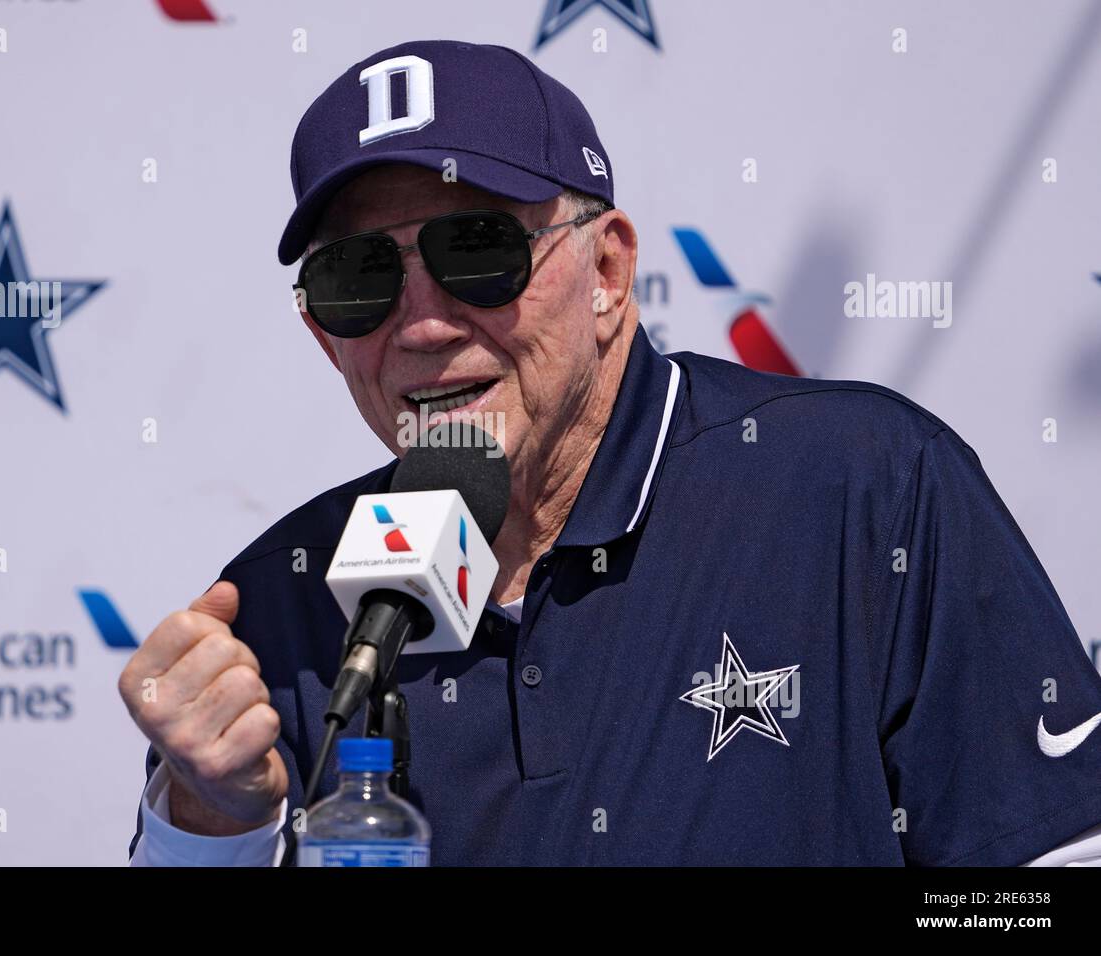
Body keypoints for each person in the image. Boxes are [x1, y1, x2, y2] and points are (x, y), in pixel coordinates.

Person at [118, 39, 1101, 866]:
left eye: (475, 250)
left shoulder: (866, 487)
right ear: (323, 335)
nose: (421, 324)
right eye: (358, 276)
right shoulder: (277, 599)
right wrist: (209, 816)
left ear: (609, 270)